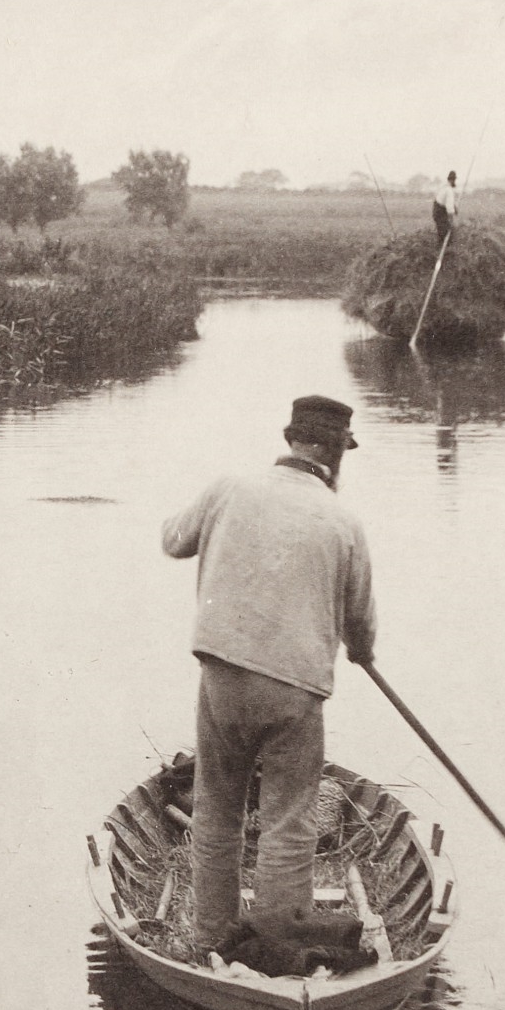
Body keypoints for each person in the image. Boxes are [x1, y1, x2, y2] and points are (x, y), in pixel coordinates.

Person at [161, 395, 377, 962]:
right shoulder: (343, 519)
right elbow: (360, 620)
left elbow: (173, 541)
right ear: (335, 455)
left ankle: (211, 938)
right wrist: (362, 649)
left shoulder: (229, 487)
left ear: (291, 441)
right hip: (294, 690)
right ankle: (276, 945)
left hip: (222, 675)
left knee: (217, 807)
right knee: (288, 817)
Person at [431, 171, 458, 247]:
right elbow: (449, 209)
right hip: (439, 212)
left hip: (438, 209)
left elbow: (447, 202)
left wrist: (454, 207)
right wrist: (451, 221)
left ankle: (442, 247)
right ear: (452, 180)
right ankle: (444, 251)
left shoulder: (444, 186)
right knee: (447, 232)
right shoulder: (449, 190)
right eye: (454, 180)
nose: (455, 182)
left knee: (443, 231)